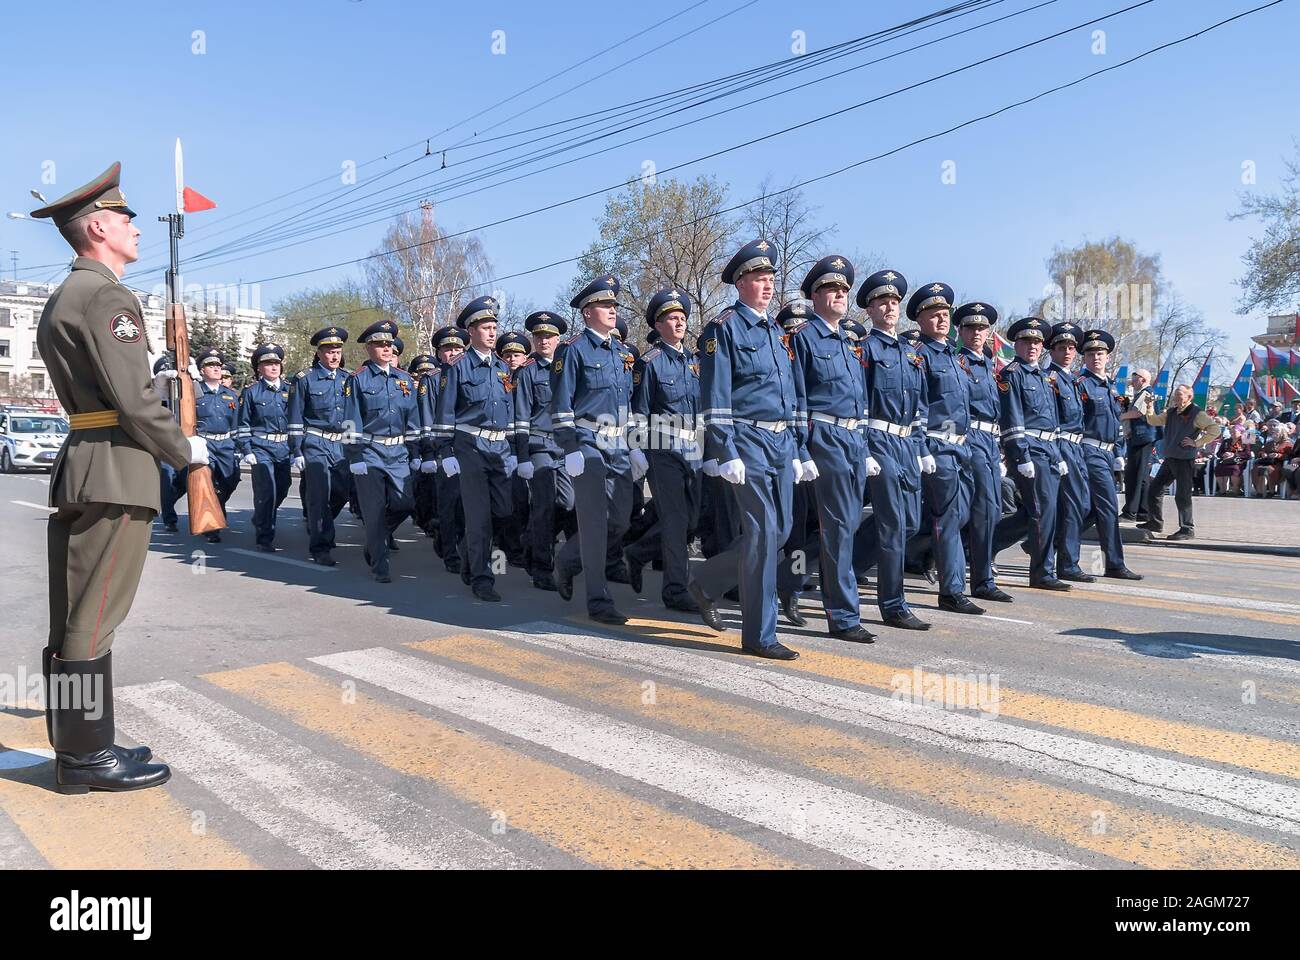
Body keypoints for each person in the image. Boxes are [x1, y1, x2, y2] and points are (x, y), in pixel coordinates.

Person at [33, 161, 209, 793]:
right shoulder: (107, 295)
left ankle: (78, 741)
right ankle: (85, 759)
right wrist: (187, 449)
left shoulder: (65, 296)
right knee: (95, 617)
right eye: (128, 218)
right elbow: (134, 401)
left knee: (75, 614)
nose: (136, 227)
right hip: (115, 471)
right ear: (100, 226)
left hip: (85, 463)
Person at [691, 240, 804, 659]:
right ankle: (760, 634)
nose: (768, 284)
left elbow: (787, 394)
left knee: (782, 530)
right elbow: (715, 395)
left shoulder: (775, 331)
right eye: (759, 278)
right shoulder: (723, 329)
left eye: (771, 277)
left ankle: (705, 583)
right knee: (761, 532)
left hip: (780, 441)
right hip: (748, 440)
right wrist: (725, 449)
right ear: (740, 283)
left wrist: (796, 449)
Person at [551, 275, 645, 625]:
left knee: (619, 519)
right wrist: (570, 446)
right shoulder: (572, 350)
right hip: (588, 443)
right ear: (588, 312)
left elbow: (628, 405)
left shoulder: (621, 353)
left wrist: (635, 445)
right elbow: (561, 406)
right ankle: (598, 600)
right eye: (606, 305)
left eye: (614, 305)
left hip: (619, 443)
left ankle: (568, 560)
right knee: (593, 523)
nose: (612, 310)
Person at [851, 269, 932, 630]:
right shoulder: (865, 349)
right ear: (869, 309)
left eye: (894, 301)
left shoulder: (910, 353)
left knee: (911, 522)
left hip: (905, 444)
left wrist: (920, 447)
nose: (889, 306)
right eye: (881, 301)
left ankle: (847, 564)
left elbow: (921, 407)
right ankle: (893, 604)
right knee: (893, 524)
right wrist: (865, 447)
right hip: (879, 441)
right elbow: (859, 401)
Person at [429, 296, 516, 602]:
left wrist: (516, 451)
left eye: (494, 327)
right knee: (479, 517)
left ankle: (469, 554)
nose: (492, 333)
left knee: (504, 512)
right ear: (471, 331)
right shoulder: (457, 367)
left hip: (500, 448)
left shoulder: (504, 368)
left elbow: (510, 411)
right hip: (470, 447)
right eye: (486, 327)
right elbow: (445, 412)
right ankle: (483, 577)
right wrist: (446, 452)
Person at [625, 287, 704, 613]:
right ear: (658, 326)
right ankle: (675, 589)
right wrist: (638, 450)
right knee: (675, 520)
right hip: (663, 449)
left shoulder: (695, 363)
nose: (679, 323)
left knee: (693, 520)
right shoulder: (649, 363)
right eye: (671, 318)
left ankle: (639, 552)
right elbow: (637, 411)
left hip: (694, 448)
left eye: (682, 317)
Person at [911, 282, 984, 615]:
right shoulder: (920, 356)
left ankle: (916, 555)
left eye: (945, 314)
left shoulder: (954, 359)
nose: (942, 320)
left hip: (961, 446)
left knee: (959, 514)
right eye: (934, 315)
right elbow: (919, 403)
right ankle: (952, 589)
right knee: (949, 516)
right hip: (937, 444)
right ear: (920, 319)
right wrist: (924, 445)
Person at [994, 317, 1070, 590]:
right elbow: (1012, 419)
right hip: (1030, 451)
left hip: (1049, 450)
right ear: (1017, 344)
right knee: (1041, 512)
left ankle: (979, 545)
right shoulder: (1011, 375)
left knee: (1034, 514)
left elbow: (1053, 419)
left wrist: (1059, 454)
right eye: (1027, 341)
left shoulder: (1044, 377)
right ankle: (1042, 572)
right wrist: (1021, 457)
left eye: (1037, 342)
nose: (1033, 346)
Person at [343, 320, 420, 581]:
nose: (386, 348)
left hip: (398, 452)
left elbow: (413, 418)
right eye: (379, 344)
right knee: (374, 510)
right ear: (369, 348)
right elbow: (350, 419)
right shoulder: (358, 379)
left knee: (405, 503)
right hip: (370, 451)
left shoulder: (405, 380)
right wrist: (355, 456)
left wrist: (417, 452)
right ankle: (380, 563)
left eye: (389, 344)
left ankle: (376, 538)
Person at [955, 302, 1014, 603]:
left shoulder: (989, 367)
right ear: (961, 331)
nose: (977, 333)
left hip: (991, 442)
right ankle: (980, 579)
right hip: (972, 438)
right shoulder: (960, 363)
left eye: (981, 328)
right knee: (981, 509)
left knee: (990, 511)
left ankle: (981, 575)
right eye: (970, 328)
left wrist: (1001, 447)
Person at [512, 311, 574, 591]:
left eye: (548, 336)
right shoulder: (527, 372)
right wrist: (522, 456)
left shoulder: (568, 365)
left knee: (569, 503)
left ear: (558, 338)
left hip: (565, 444)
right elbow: (521, 416)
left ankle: (530, 539)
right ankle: (541, 567)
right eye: (538, 336)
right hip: (538, 445)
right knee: (544, 505)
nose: (543, 340)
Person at [1075, 330, 1142, 579]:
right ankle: (1114, 563)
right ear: (1084, 357)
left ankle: (1052, 541)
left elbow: (1115, 422)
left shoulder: (1111, 387)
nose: (1096, 358)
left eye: (1100, 353)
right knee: (1108, 507)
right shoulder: (1081, 384)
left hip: (1107, 451)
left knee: (1091, 510)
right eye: (1090, 353)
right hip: (1088, 449)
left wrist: (1119, 452)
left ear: (1108, 356)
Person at [288, 326, 351, 565]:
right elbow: (295, 415)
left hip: (342, 443)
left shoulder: (348, 379)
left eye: (337, 351)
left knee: (342, 492)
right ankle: (320, 546)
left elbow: (353, 415)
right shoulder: (305, 379)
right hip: (315, 441)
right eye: (329, 351)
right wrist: (296, 449)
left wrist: (354, 445)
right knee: (319, 494)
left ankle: (320, 523)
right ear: (319, 352)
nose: (334, 356)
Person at [1139, 383, 1221, 541]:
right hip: (1171, 458)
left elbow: (1215, 430)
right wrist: (1149, 406)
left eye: (1180, 395)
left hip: (1184, 459)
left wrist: (1196, 443)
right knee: (1155, 489)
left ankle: (1187, 529)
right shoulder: (1171, 412)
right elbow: (1153, 421)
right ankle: (1155, 523)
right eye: (1175, 394)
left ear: (1189, 397)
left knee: (1182, 495)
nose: (1176, 397)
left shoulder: (1197, 413)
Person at [1045, 322, 1095, 583]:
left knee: (1080, 504)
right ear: (1051, 351)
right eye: (1061, 347)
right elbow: (1049, 419)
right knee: (1072, 505)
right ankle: (1067, 563)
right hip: (1061, 445)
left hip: (1077, 446)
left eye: (1071, 348)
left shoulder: (1074, 380)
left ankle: (1052, 550)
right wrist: (1057, 454)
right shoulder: (1050, 379)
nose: (1067, 352)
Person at [237, 343, 292, 552]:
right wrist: (247, 450)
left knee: (284, 486)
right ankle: (265, 537)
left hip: (284, 446)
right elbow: (243, 423)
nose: (274, 367)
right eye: (268, 363)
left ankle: (261, 516)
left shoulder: (290, 389)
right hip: (261, 447)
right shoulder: (251, 392)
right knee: (266, 491)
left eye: (276, 363)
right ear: (259, 368)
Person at [186, 347, 241, 542]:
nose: (216, 368)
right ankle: (211, 526)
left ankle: (217, 506)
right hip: (204, 443)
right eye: (210, 365)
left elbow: (235, 424)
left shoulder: (230, 395)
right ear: (201, 370)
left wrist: (238, 449)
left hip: (226, 443)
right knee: (206, 483)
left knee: (230, 480)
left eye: (218, 365)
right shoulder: (194, 393)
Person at [1119, 368, 1156, 520]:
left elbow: (1138, 413)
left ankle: (1131, 512)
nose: (1132, 382)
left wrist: (1120, 416)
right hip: (1143, 439)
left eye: (1135, 378)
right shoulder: (1144, 393)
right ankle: (1143, 510)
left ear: (1143, 379)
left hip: (1141, 438)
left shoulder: (1145, 393)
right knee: (1142, 476)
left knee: (1133, 475)